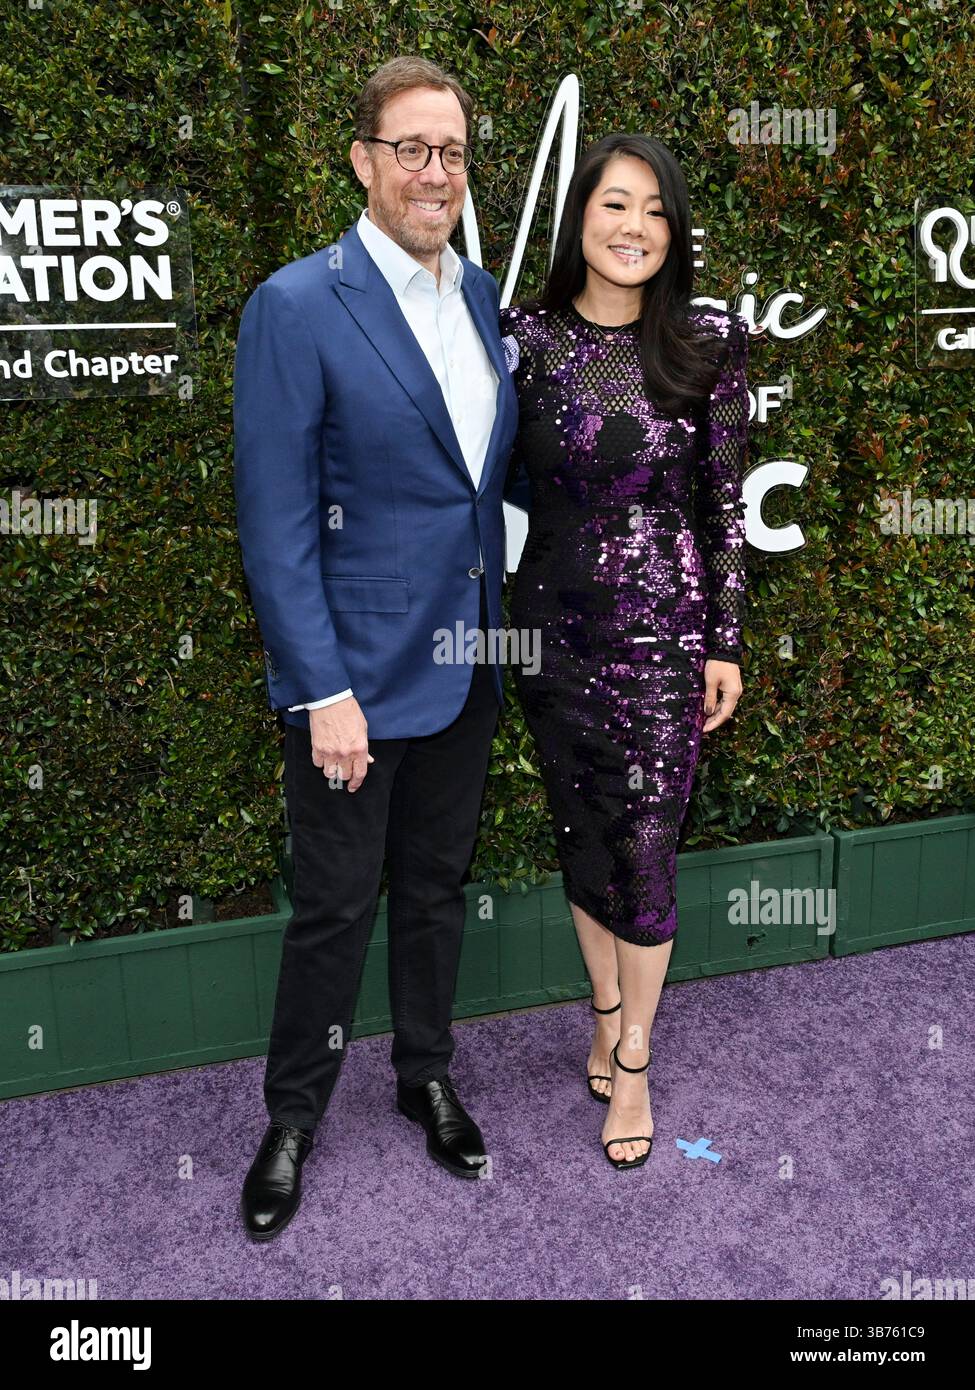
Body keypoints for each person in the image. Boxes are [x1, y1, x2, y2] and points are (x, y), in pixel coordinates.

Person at [233, 55, 528, 1240]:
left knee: (438, 893)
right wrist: (323, 693)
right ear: (362, 161)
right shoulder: (297, 304)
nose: (435, 172)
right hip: (355, 685)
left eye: (452, 151)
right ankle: (293, 1114)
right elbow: (277, 524)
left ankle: (423, 1072)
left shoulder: (485, 297)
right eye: (410, 148)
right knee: (334, 906)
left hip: (469, 665)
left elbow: (476, 492)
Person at [499, 133, 751, 1171]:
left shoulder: (708, 338)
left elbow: (724, 503)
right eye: (613, 204)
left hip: (664, 634)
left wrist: (725, 643)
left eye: (653, 208)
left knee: (645, 850)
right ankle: (601, 1009)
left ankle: (635, 1059)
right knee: (581, 829)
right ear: (580, 222)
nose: (633, 226)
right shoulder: (524, 339)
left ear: (673, 228)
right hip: (549, 630)